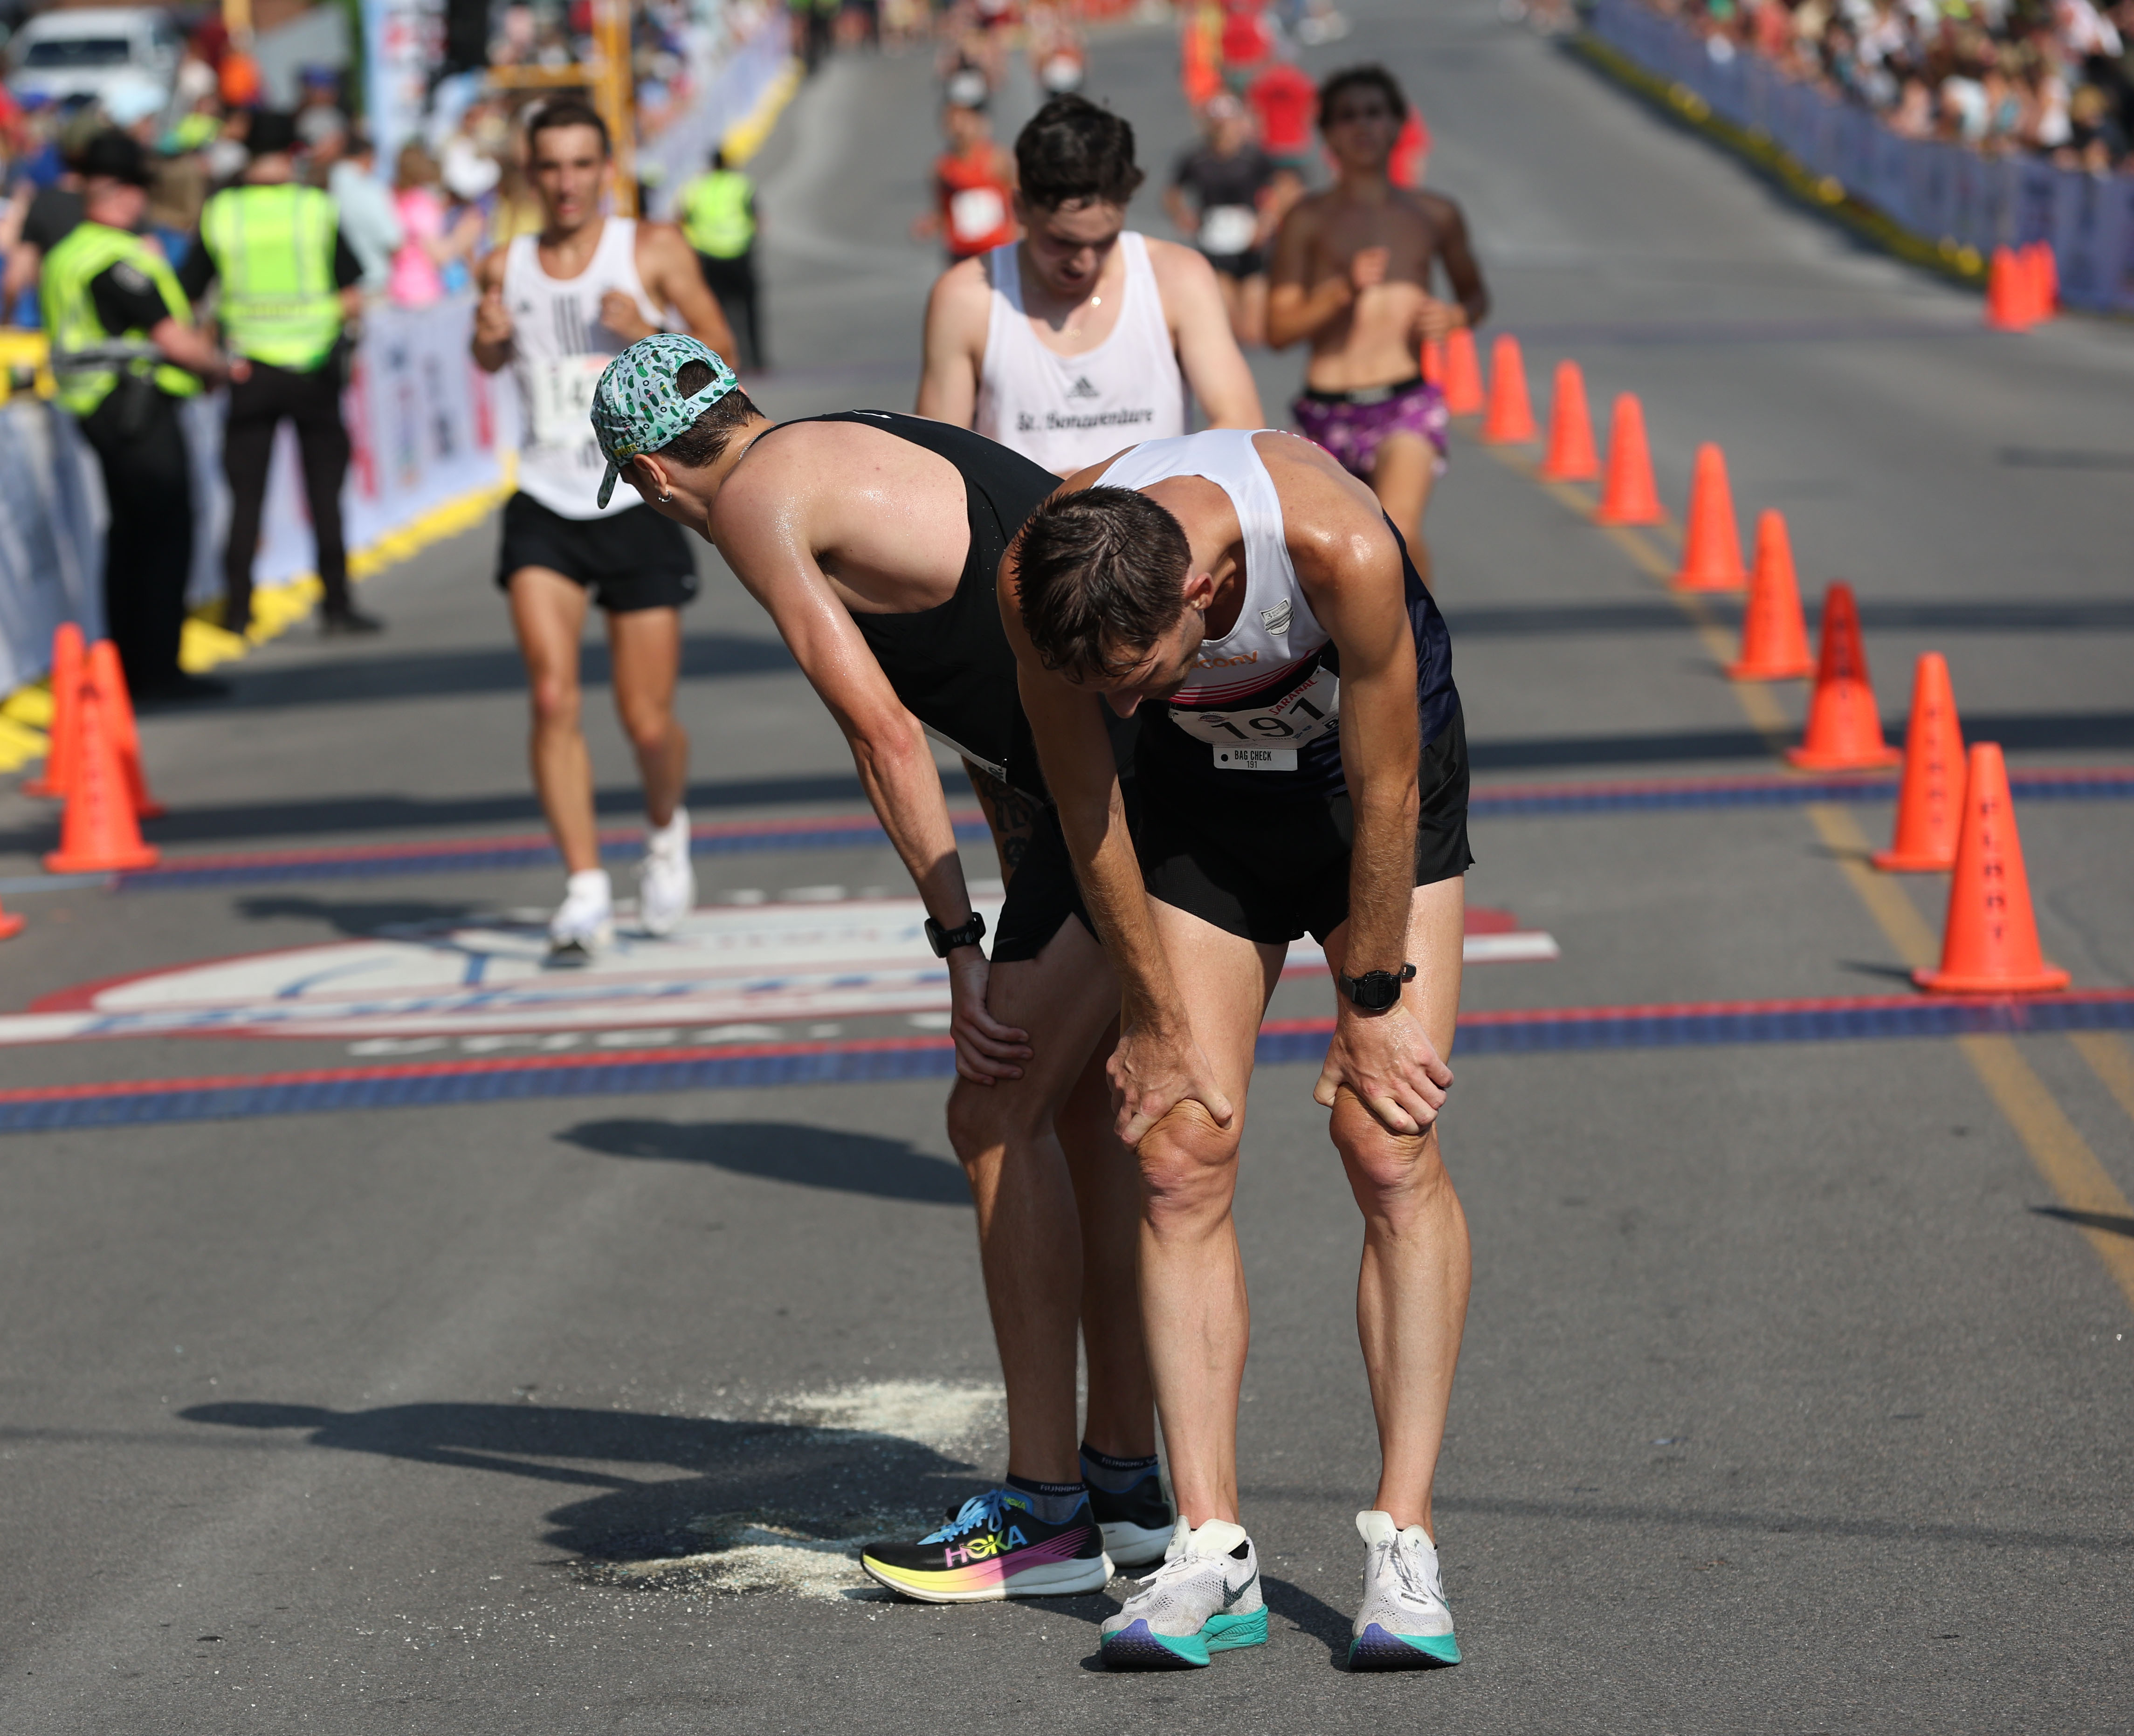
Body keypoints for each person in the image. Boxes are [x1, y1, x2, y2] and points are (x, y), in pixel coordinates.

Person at [589, 333, 1177, 1600]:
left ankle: (1045, 1511)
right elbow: (986, 661)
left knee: (991, 1101)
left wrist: (959, 944)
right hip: (1152, 751)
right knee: (1078, 1112)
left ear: (647, 474)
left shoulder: (753, 501)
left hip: (1123, 786)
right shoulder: (864, 436)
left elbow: (882, 727)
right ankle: (1126, 1485)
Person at [1001, 425, 1472, 1671]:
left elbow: (1385, 794)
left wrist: (1369, 1002)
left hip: (1364, 793)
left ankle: (1405, 1542)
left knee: (1386, 1140)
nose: (1115, 697)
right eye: (1097, 680)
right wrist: (1151, 1018)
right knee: (1176, 1149)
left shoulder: (1336, 546)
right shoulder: (1047, 573)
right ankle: (1209, 1547)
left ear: (1204, 593)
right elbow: (1089, 794)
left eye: (1138, 670)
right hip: (1199, 806)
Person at [469, 98, 737, 961]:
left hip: (638, 496)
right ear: (528, 174)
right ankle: (583, 887)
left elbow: (722, 355)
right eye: (549, 166)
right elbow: (485, 355)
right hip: (544, 496)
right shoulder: (501, 262)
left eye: (583, 164)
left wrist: (651, 331)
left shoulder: (650, 248)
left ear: (605, 169)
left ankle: (664, 835)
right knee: (551, 695)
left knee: (645, 719)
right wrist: (486, 341)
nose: (566, 183)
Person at [917, 93, 1263, 477]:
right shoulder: (965, 299)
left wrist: (1099, 484)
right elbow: (934, 464)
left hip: (1153, 528)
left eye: (1104, 241)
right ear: (1020, 209)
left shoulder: (1178, 278)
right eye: (1061, 241)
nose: (1084, 261)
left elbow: (1241, 422)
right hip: (1023, 532)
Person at [1267, 65, 1487, 588]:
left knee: (1398, 530)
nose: (1362, 126)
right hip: (1326, 410)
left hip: (1405, 405)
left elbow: (1475, 295)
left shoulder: (1435, 214)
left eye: (1374, 113)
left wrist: (1457, 316)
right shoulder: (1307, 219)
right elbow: (1277, 330)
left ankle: (1420, 660)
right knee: (1324, 557)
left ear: (1397, 124)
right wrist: (1342, 289)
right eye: (1346, 117)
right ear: (1327, 135)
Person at [42, 131, 226, 699]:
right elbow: (173, 339)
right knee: (163, 536)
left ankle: (129, 664)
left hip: (96, 408)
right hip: (135, 410)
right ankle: (158, 669)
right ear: (122, 193)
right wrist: (220, 366)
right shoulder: (117, 258)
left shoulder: (68, 252)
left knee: (128, 541)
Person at [180, 110, 377, 640]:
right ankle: (336, 605)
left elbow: (192, 293)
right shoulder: (313, 208)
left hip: (248, 368)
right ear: (292, 154)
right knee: (324, 494)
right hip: (313, 368)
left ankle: (238, 611)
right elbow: (352, 293)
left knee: (246, 498)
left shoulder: (222, 212)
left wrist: (209, 355)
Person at [1165, 93, 1278, 347]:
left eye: (1228, 122)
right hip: (1215, 245)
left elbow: (1277, 191)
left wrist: (1266, 223)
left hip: (1252, 246)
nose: (1224, 129)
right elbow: (1172, 193)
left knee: (1253, 333)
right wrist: (1183, 215)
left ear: (1239, 123)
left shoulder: (1254, 157)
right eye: (1218, 123)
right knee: (1229, 327)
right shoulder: (1196, 159)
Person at [678, 146, 764, 369]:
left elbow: (683, 218)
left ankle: (724, 362)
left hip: (709, 255)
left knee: (717, 315)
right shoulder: (740, 184)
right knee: (750, 310)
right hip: (739, 252)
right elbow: (757, 217)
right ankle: (757, 359)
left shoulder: (697, 187)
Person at [916, 81, 1018, 265]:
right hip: (961, 256)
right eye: (951, 121)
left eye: (964, 119)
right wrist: (931, 224)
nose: (958, 128)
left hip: (998, 252)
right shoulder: (941, 168)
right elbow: (943, 211)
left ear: (978, 122)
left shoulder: (998, 160)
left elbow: (1019, 200)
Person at [324, 128, 404, 298]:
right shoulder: (368, 190)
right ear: (367, 157)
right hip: (371, 283)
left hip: (334, 287)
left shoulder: (323, 189)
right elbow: (393, 240)